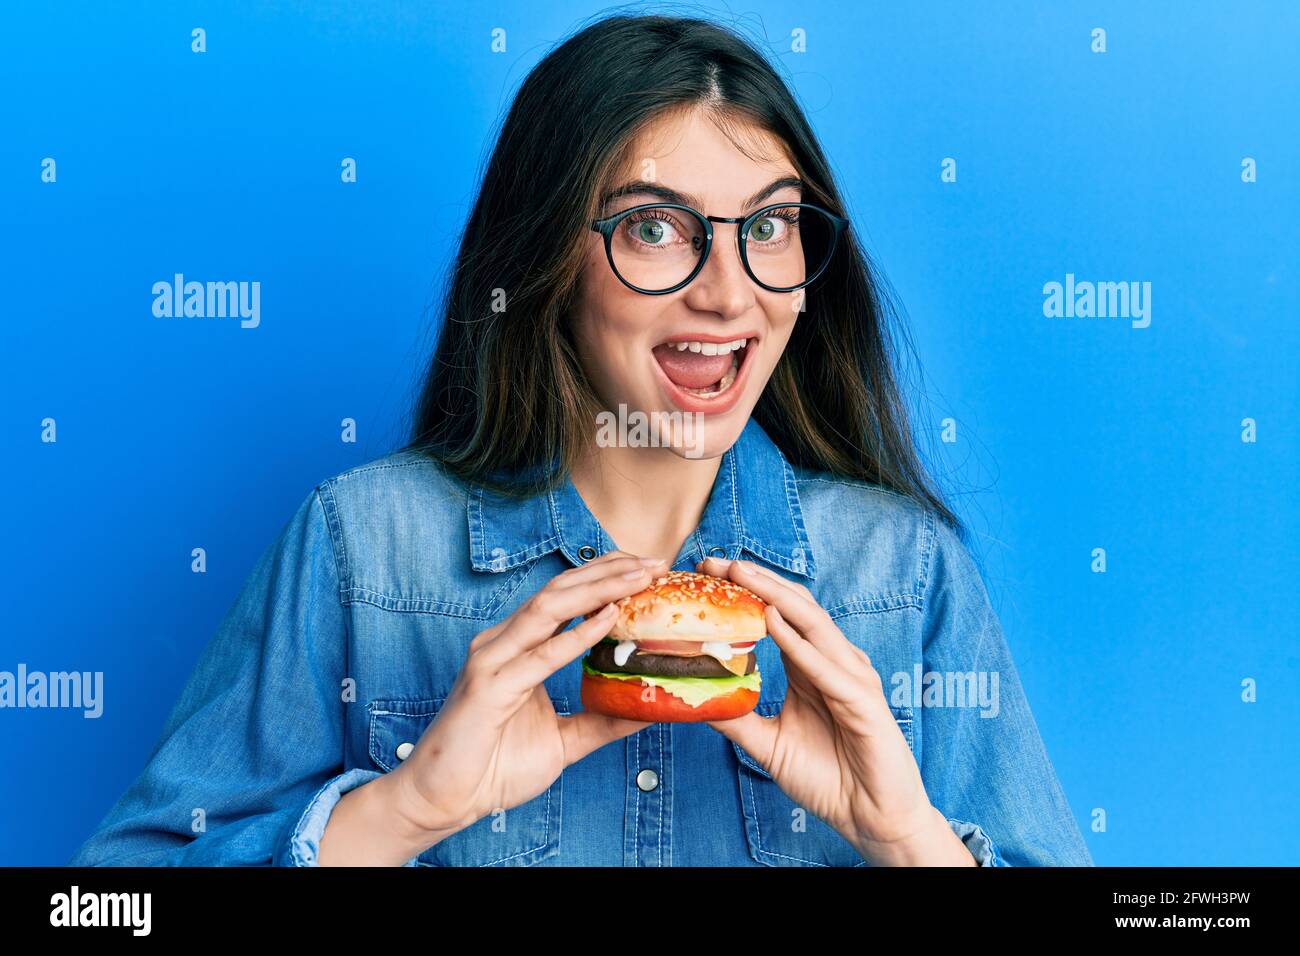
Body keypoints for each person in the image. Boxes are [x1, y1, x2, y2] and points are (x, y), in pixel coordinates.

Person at [69, 14, 1092, 867]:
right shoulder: (363, 547)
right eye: (655, 227)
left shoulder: (902, 574)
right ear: (544, 254)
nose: (729, 291)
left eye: (769, 227)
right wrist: (400, 809)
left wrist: (912, 839)